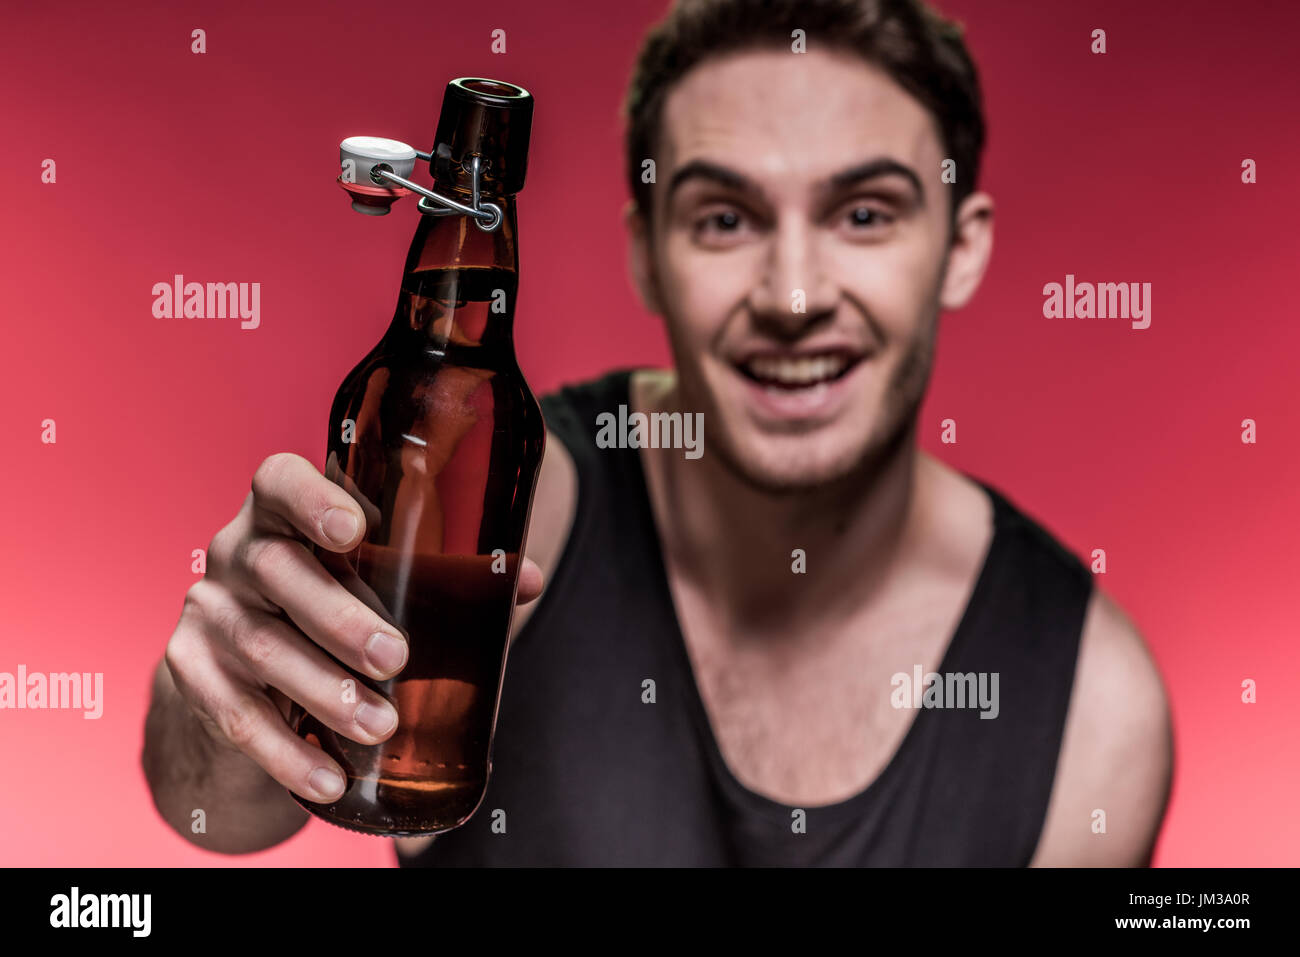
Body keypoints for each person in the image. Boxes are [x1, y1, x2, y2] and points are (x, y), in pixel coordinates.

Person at [143, 0, 1172, 866]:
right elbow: (221, 816)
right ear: (644, 252)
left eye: (864, 213)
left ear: (960, 246)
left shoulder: (1093, 708)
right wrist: (234, 701)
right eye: (724, 218)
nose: (795, 296)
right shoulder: (516, 489)